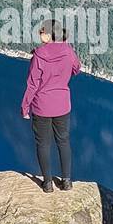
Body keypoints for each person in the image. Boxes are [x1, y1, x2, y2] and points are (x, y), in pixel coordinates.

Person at [21, 19, 81, 192]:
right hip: (62, 104)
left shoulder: (39, 56)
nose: (39, 35)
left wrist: (25, 107)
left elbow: (32, 84)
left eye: (41, 32)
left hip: (42, 106)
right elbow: (77, 69)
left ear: (48, 34)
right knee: (63, 141)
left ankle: (47, 183)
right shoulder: (68, 51)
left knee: (43, 144)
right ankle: (67, 181)